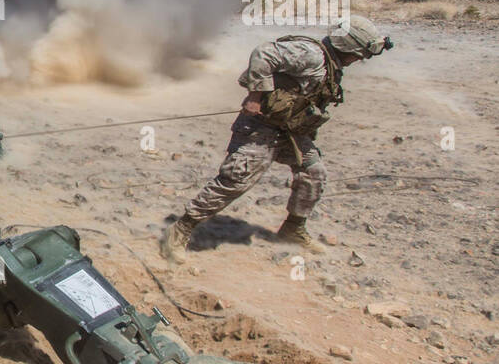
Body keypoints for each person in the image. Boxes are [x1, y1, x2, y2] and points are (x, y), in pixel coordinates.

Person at [160, 16, 393, 264]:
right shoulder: (311, 54)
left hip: (290, 131)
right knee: (235, 181)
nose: (360, 60)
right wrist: (255, 97)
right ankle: (181, 230)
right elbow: (264, 53)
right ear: (349, 47)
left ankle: (293, 228)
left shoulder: (331, 64)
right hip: (260, 128)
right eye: (360, 54)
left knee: (314, 172)